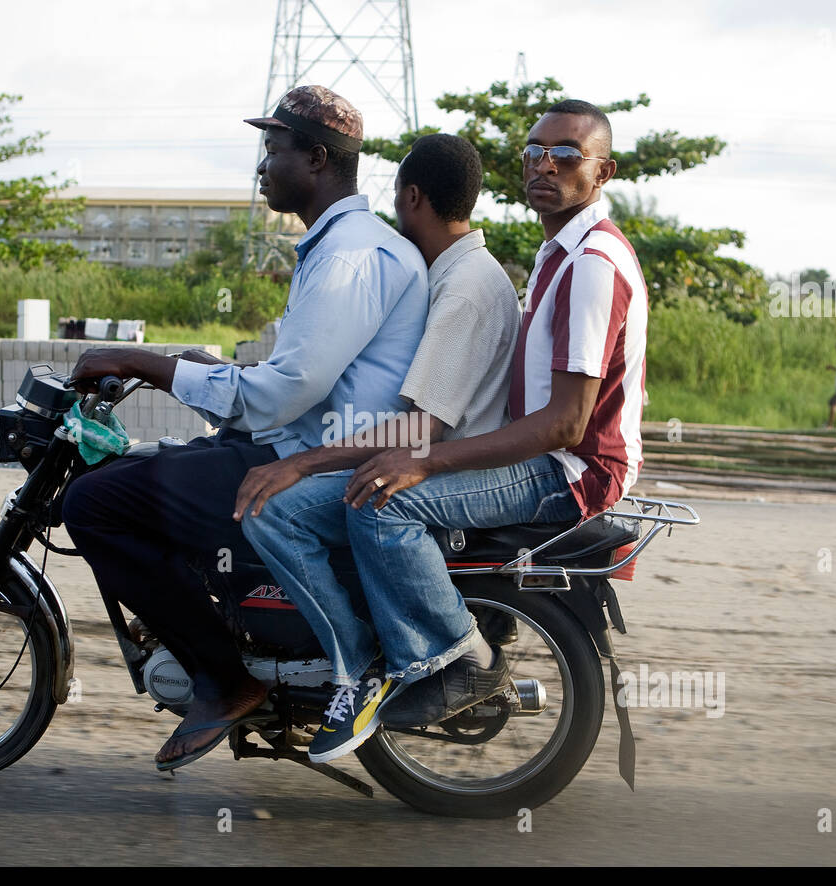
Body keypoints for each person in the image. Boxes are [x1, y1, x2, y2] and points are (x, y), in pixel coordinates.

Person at [247, 99, 649, 763]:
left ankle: (452, 659)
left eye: (566, 155)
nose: (543, 165)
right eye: (533, 153)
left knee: (387, 499)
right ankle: (361, 659)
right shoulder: (557, 251)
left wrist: (426, 463)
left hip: (571, 471)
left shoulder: (590, 265)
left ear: (603, 171)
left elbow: (566, 424)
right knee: (298, 506)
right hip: (541, 452)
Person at [60, 85, 428, 769]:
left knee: (95, 501)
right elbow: (300, 376)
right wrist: (200, 369)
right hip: (307, 440)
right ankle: (212, 626)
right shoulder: (343, 246)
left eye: (273, 150)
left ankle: (226, 680)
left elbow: (286, 391)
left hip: (316, 461)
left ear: (316, 159)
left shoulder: (347, 256)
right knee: (155, 467)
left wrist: (148, 362)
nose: (262, 167)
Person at [237, 133, 521, 758]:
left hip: (442, 472)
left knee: (271, 510)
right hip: (438, 459)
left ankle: (361, 665)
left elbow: (422, 429)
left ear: (412, 196)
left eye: (396, 201)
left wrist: (305, 460)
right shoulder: (458, 273)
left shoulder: (467, 288)